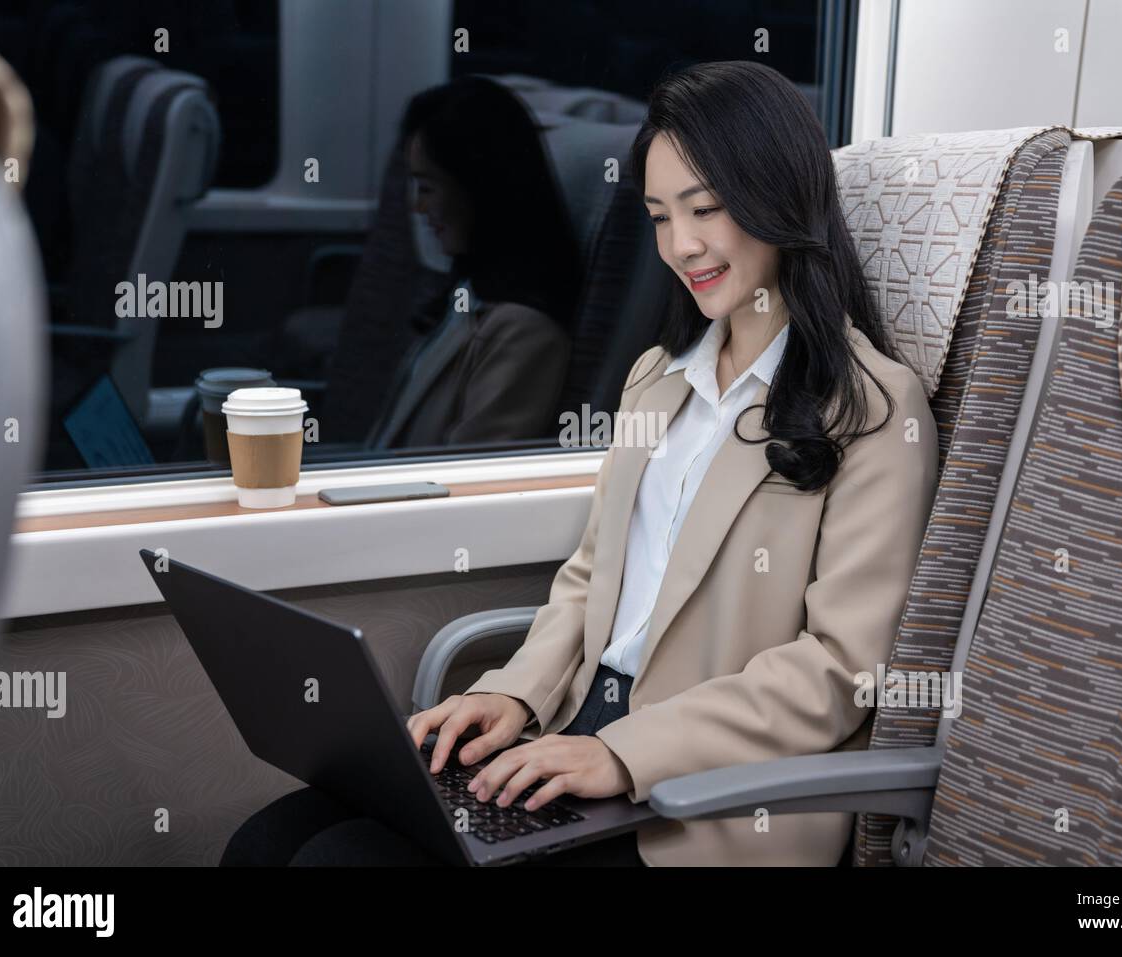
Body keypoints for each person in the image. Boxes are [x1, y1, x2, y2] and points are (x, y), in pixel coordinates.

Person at [222, 60, 938, 867]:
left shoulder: (874, 409)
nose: (681, 246)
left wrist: (628, 751)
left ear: (780, 198)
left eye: (705, 210)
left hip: (709, 791)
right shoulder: (658, 379)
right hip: (569, 725)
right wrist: (512, 690)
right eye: (661, 217)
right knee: (272, 837)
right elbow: (591, 575)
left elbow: (841, 670)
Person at [313, 75, 581, 449]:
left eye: (427, 187)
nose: (419, 208)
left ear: (480, 189)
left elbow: (472, 482)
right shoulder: (469, 295)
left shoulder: (524, 333)